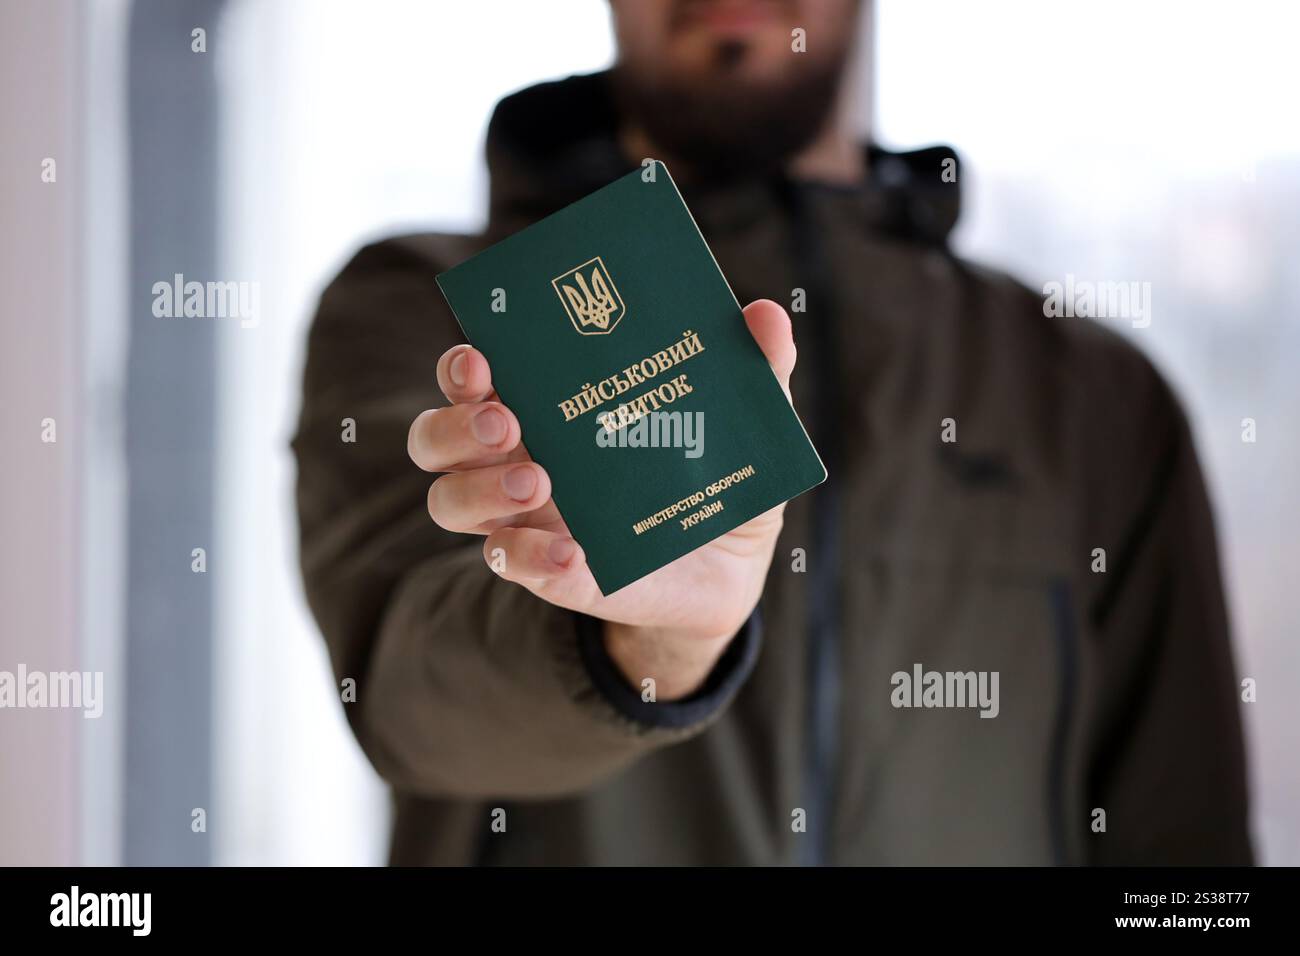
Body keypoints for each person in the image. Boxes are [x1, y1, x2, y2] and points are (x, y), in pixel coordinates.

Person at [292, 0, 1251, 865]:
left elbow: (1186, 846)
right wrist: (653, 653)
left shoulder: (1090, 398)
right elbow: (414, 710)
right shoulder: (429, 317)